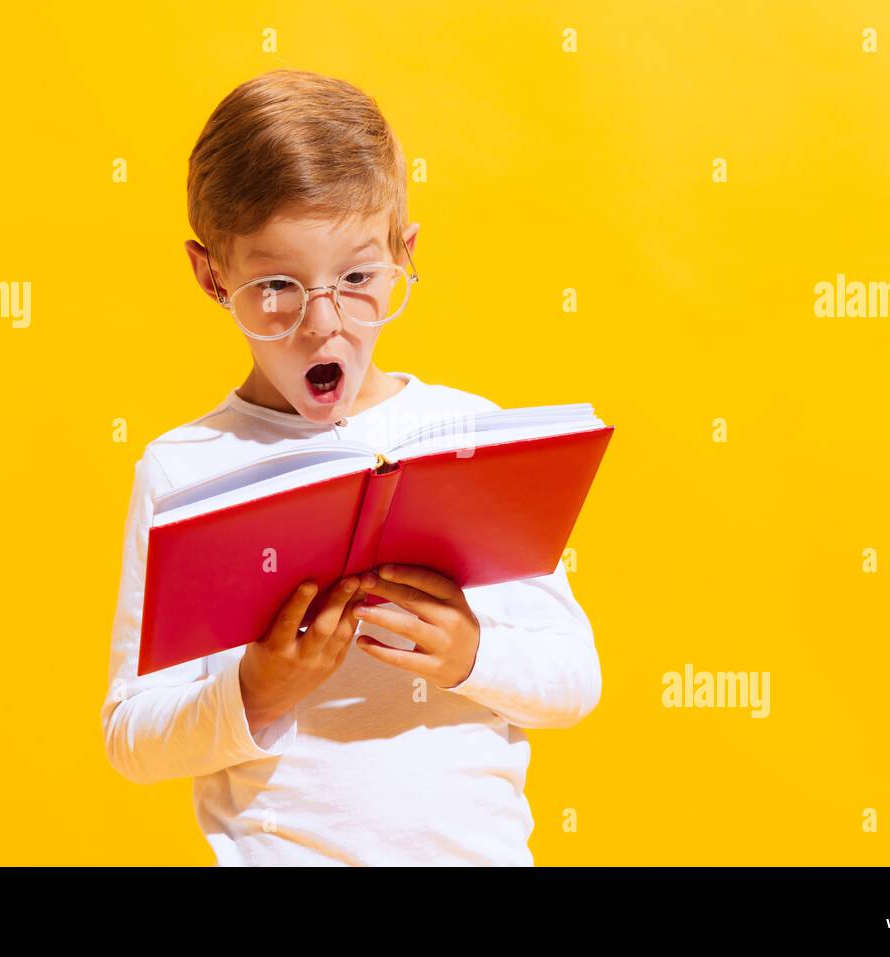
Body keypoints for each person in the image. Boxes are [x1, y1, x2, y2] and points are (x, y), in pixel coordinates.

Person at [101, 68, 602, 865]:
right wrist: (256, 690)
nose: (322, 324)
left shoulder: (468, 432)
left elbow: (575, 676)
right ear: (211, 276)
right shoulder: (183, 468)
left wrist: (474, 653)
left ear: (405, 254)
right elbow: (132, 734)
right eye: (275, 285)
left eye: (359, 278)